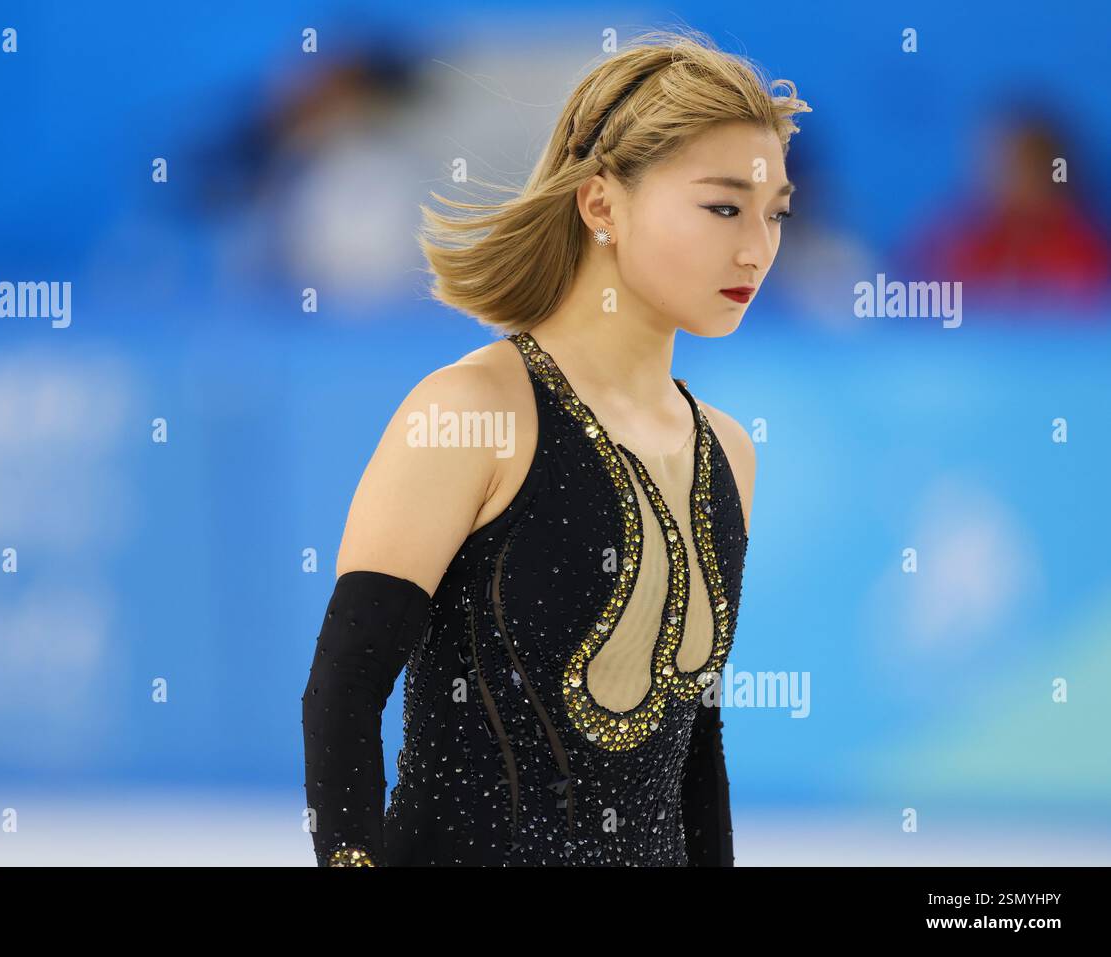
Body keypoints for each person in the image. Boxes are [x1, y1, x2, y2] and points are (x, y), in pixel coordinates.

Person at [302, 27, 809, 866]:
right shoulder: (471, 412)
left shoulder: (728, 451)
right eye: (722, 206)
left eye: (775, 212)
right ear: (602, 203)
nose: (757, 247)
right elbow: (344, 693)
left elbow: (695, 751)